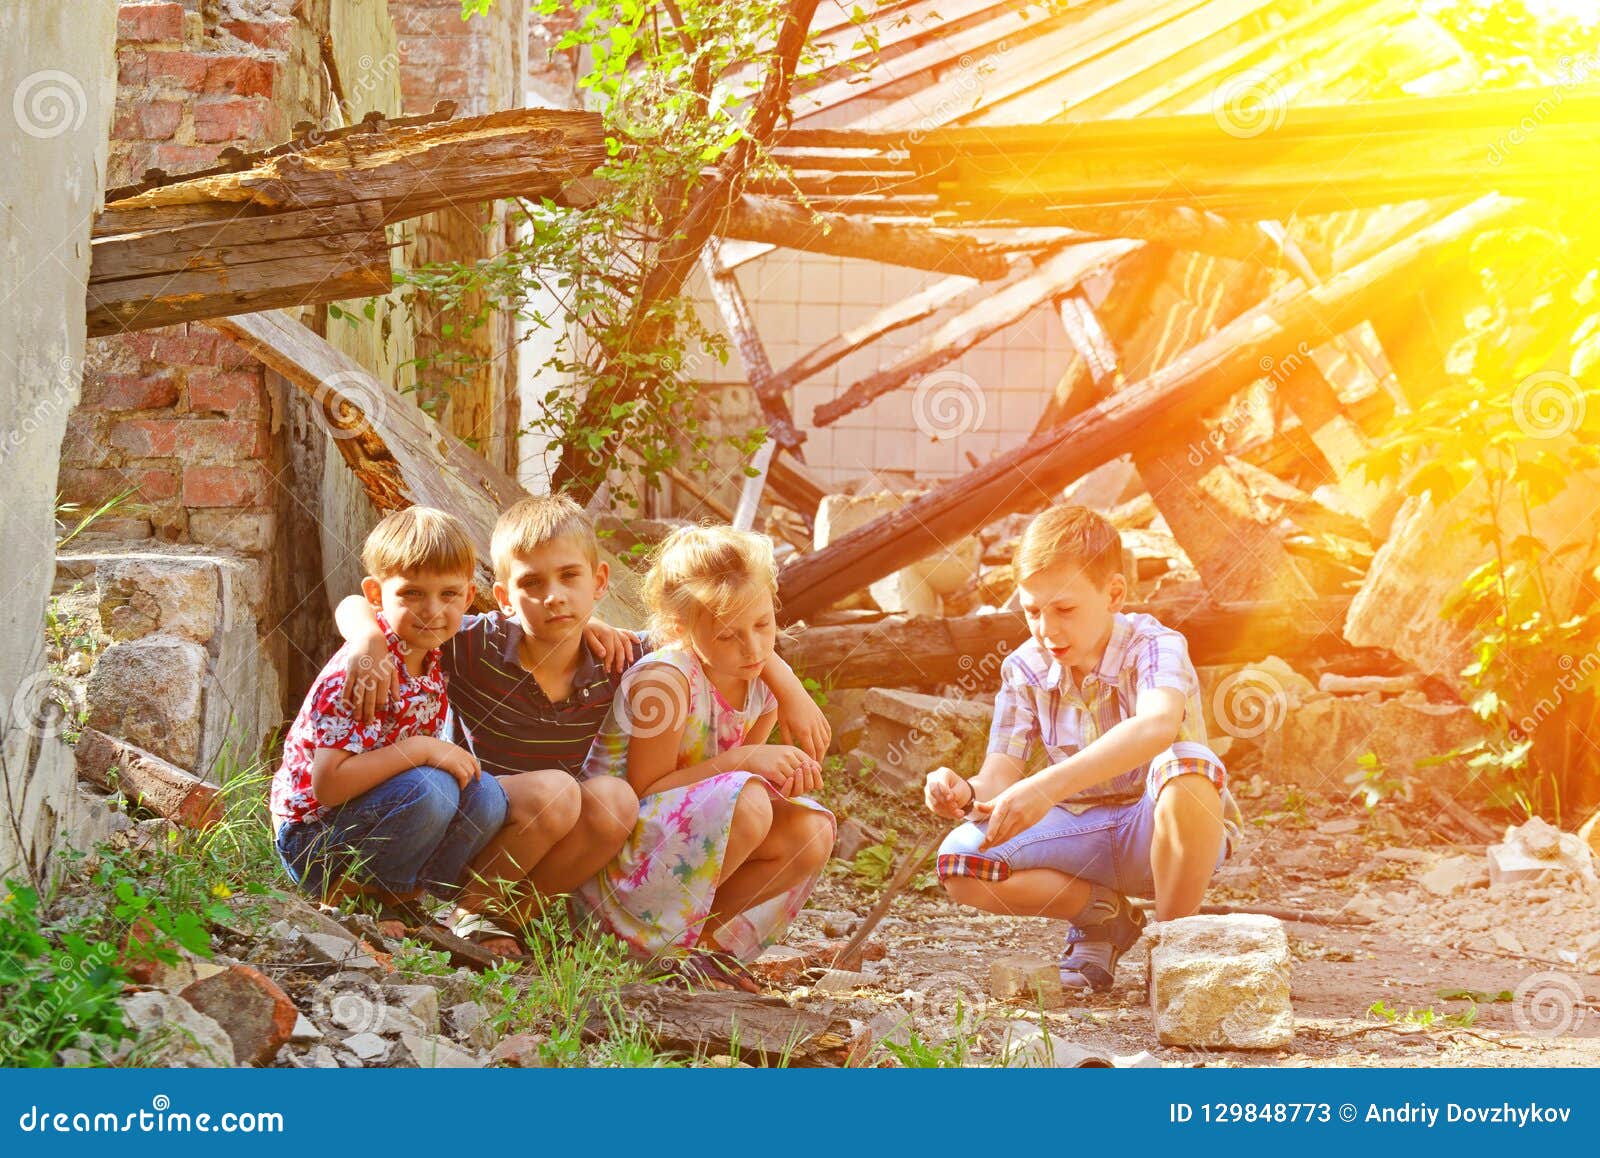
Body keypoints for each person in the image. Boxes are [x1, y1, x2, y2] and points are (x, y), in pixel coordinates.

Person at [333, 496, 830, 956]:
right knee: (581, 795)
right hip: (486, 823)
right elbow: (362, 605)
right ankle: (476, 913)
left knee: (609, 799)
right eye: (533, 584)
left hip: (570, 839)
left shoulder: (619, 655)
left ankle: (539, 923)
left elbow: (711, 636)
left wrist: (788, 686)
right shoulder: (475, 646)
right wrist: (366, 639)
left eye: (570, 577)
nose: (554, 597)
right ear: (504, 597)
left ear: (599, 582)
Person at [924, 504, 1232, 992]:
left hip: (1161, 829)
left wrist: (1047, 788)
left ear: (1114, 594)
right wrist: (964, 792)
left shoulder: (1156, 645)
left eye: (1064, 609)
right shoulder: (1025, 668)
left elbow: (1156, 726)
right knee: (961, 863)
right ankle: (1102, 918)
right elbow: (999, 776)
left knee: (1189, 766)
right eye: (1032, 611)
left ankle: (1171, 953)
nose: (1047, 629)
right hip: (1079, 834)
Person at [577, 524, 835, 991]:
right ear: (681, 627)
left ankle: (700, 943)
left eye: (763, 625)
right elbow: (645, 792)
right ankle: (653, 946)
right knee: (749, 803)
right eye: (729, 635)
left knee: (811, 831)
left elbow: (737, 784)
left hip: (684, 852)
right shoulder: (666, 681)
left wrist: (780, 773)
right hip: (622, 863)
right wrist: (750, 759)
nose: (754, 648)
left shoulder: (762, 688)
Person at [271, 507, 506, 915]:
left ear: (469, 596)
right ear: (376, 594)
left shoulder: (433, 653)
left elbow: (523, 627)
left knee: (487, 795)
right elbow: (329, 786)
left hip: (374, 813)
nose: (432, 610)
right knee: (434, 787)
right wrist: (421, 749)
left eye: (448, 594)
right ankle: (354, 893)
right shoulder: (365, 671)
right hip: (313, 841)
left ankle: (400, 895)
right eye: (412, 594)